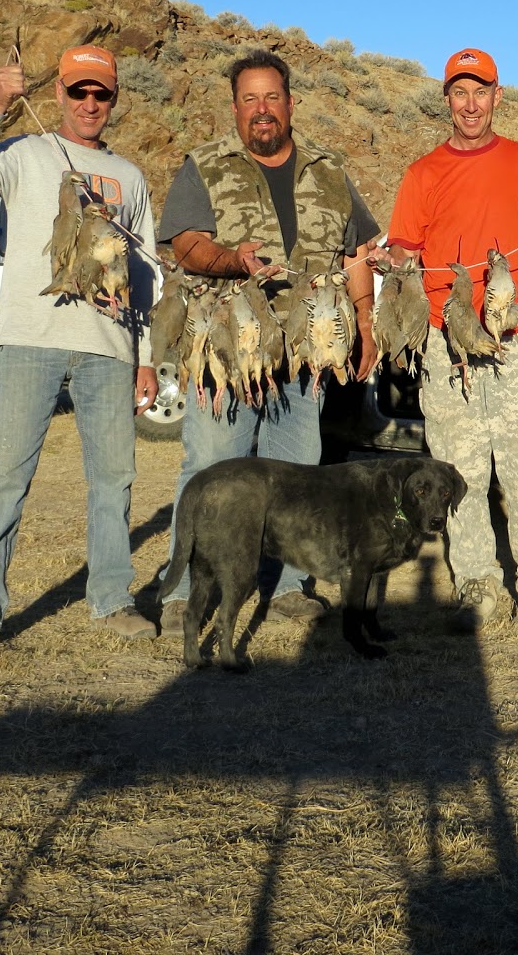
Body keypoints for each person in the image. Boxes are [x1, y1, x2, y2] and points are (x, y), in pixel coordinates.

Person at [0, 46, 160, 662]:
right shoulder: (22, 154)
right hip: (31, 339)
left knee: (113, 481)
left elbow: (144, 274)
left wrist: (144, 354)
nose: (90, 104)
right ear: (58, 93)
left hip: (109, 347)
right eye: (79, 92)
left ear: (114, 100)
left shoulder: (131, 178)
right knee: (4, 478)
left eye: (101, 94)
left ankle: (112, 601)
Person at [157, 50, 380, 633]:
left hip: (304, 356)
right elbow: (184, 243)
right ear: (235, 108)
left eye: (272, 97)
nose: (262, 110)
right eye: (250, 99)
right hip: (228, 352)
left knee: (297, 475)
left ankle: (285, 586)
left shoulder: (329, 171)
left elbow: (354, 252)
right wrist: (231, 261)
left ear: (290, 103)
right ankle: (184, 588)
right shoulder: (205, 164)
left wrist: (365, 321)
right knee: (211, 469)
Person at [384, 48, 518, 634]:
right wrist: (386, 261)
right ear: (446, 99)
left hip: (515, 338)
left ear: (497, 96)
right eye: (459, 92)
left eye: (480, 91)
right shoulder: (422, 173)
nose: (470, 104)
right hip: (448, 343)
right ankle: (478, 584)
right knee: (459, 470)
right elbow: (403, 251)